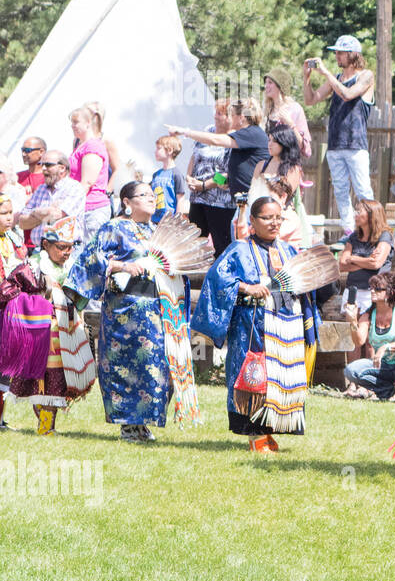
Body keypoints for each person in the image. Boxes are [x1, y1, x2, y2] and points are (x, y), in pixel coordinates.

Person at [192, 196, 322, 453]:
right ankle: (254, 432)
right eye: (267, 218)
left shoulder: (289, 250)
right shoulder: (239, 249)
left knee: (280, 377)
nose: (274, 223)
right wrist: (247, 287)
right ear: (252, 221)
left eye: (278, 218)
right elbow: (216, 280)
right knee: (255, 376)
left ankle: (270, 430)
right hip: (251, 325)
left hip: (285, 325)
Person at [66, 183, 184, 442]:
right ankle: (129, 425)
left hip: (157, 307)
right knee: (129, 365)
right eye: (144, 195)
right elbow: (90, 258)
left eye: (154, 195)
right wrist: (121, 265)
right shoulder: (115, 227)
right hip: (125, 310)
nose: (151, 199)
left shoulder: (157, 231)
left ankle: (144, 422)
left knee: (159, 365)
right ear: (127, 202)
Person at [0, 216, 95, 435]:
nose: (67, 253)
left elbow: (83, 296)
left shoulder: (74, 267)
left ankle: (48, 425)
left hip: (69, 332)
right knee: (42, 382)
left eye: (70, 248)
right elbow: (6, 292)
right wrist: (38, 301)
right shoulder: (31, 269)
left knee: (61, 380)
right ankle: (45, 426)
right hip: (42, 335)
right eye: (61, 247)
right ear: (46, 245)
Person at [167, 97, 269, 238]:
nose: (215, 116)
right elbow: (235, 171)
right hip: (211, 199)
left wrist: (205, 185)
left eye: (229, 114)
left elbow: (216, 142)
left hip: (228, 203)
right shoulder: (232, 135)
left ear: (241, 117)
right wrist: (224, 182)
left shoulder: (250, 134)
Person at [304, 35, 375, 234]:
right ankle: (349, 231)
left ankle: (373, 229)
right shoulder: (336, 79)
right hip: (335, 144)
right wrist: (307, 77)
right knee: (341, 192)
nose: (337, 56)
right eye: (336, 52)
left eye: (340, 53)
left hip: (355, 144)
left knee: (363, 190)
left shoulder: (365, 76)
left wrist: (325, 73)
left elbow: (348, 94)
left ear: (353, 54)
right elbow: (311, 100)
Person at [343, 272, 395, 400]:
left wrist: (385, 347)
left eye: (377, 289)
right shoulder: (369, 315)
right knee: (350, 371)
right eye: (371, 288)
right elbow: (359, 341)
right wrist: (353, 321)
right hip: (382, 366)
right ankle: (385, 390)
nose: (372, 291)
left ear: (390, 292)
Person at [186, 98, 236, 256]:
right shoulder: (207, 131)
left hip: (221, 202)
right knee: (194, 244)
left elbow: (229, 175)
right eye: (216, 112)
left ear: (230, 117)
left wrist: (204, 185)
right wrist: (189, 177)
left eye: (220, 113)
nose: (216, 116)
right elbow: (194, 156)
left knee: (221, 245)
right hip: (197, 198)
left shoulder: (234, 140)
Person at [238, 126, 306, 239]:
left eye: (274, 141)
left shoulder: (293, 169)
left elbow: (285, 195)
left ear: (284, 143)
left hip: (280, 216)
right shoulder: (261, 165)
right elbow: (252, 190)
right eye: (269, 140)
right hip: (256, 211)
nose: (270, 144)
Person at [338, 198, 393, 322]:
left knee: (368, 332)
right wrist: (366, 261)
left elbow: (376, 263)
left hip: (374, 292)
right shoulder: (354, 237)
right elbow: (342, 264)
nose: (355, 214)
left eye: (359, 211)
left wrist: (353, 258)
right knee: (353, 331)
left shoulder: (384, 236)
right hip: (353, 291)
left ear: (371, 215)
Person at [18, 150, 85, 247]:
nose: (43, 169)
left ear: (62, 168)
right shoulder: (41, 189)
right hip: (40, 250)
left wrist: (34, 214)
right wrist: (39, 212)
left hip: (66, 251)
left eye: (48, 165)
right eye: (42, 165)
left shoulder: (74, 188)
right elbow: (22, 222)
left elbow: (56, 215)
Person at [68, 104, 113, 237]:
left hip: (92, 210)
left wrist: (68, 206)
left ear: (88, 123)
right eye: (72, 123)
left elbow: (87, 182)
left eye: (76, 122)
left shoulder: (92, 146)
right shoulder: (80, 145)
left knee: (90, 255)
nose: (72, 126)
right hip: (83, 209)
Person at [263, 66, 312, 158]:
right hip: (269, 162)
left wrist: (290, 123)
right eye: (266, 83)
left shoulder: (295, 109)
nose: (266, 86)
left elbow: (303, 147)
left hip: (288, 163)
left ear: (280, 86)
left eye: (270, 82)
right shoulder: (267, 110)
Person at [150, 134, 188, 222]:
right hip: (154, 219)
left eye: (159, 148)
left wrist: (177, 219)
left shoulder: (176, 174)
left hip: (169, 221)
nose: (155, 151)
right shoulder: (156, 174)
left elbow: (180, 199)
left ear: (170, 150)